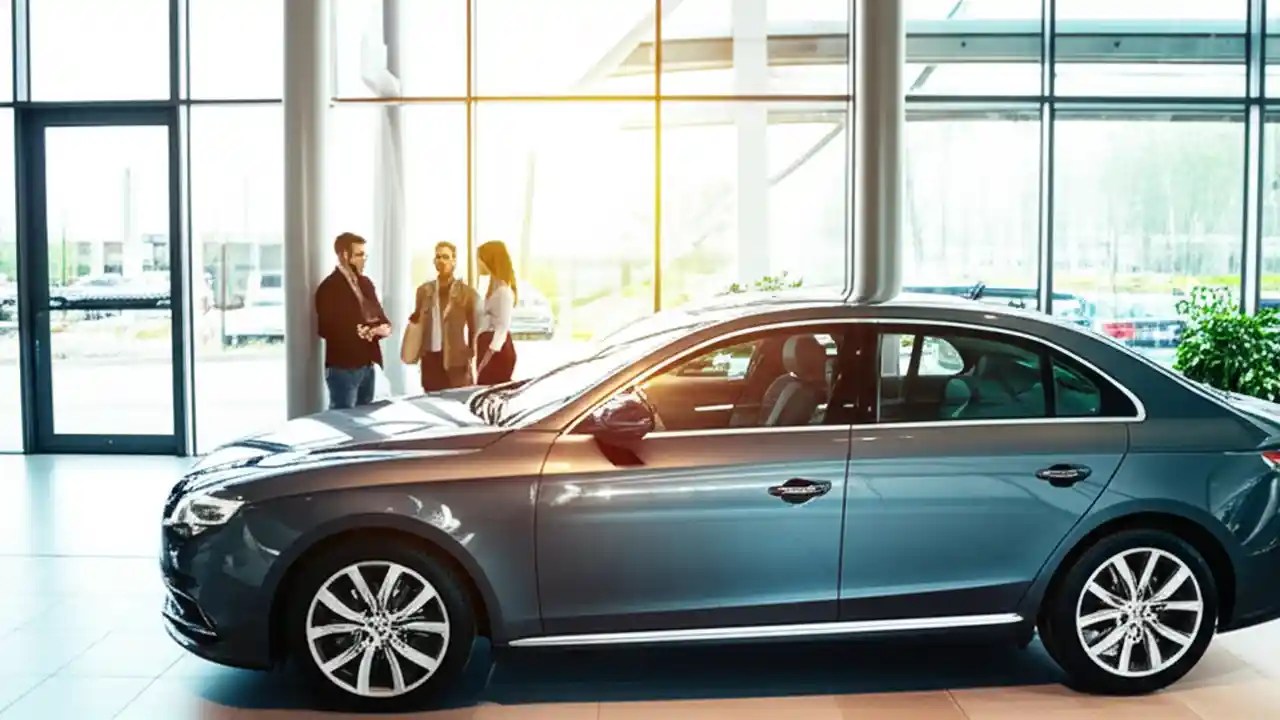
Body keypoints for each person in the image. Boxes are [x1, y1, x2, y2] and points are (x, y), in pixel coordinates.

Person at [315, 232, 390, 409]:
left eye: (364, 254)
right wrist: (356, 331)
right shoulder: (329, 287)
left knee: (367, 424)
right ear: (343, 255)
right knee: (344, 421)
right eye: (359, 255)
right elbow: (325, 328)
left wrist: (376, 329)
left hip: (368, 366)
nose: (363, 259)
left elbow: (381, 318)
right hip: (343, 368)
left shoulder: (366, 283)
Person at [407, 241, 482, 392]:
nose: (441, 261)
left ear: (454, 261)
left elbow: (476, 327)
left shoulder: (466, 293)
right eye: (438, 257)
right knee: (432, 402)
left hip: (456, 360)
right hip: (430, 358)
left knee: (457, 402)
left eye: (446, 257)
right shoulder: (424, 291)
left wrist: (470, 353)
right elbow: (417, 322)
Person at [475, 240, 518, 385]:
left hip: (495, 351)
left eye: (479, 259)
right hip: (489, 347)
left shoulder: (503, 293)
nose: (477, 263)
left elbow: (502, 329)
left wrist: (485, 361)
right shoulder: (493, 288)